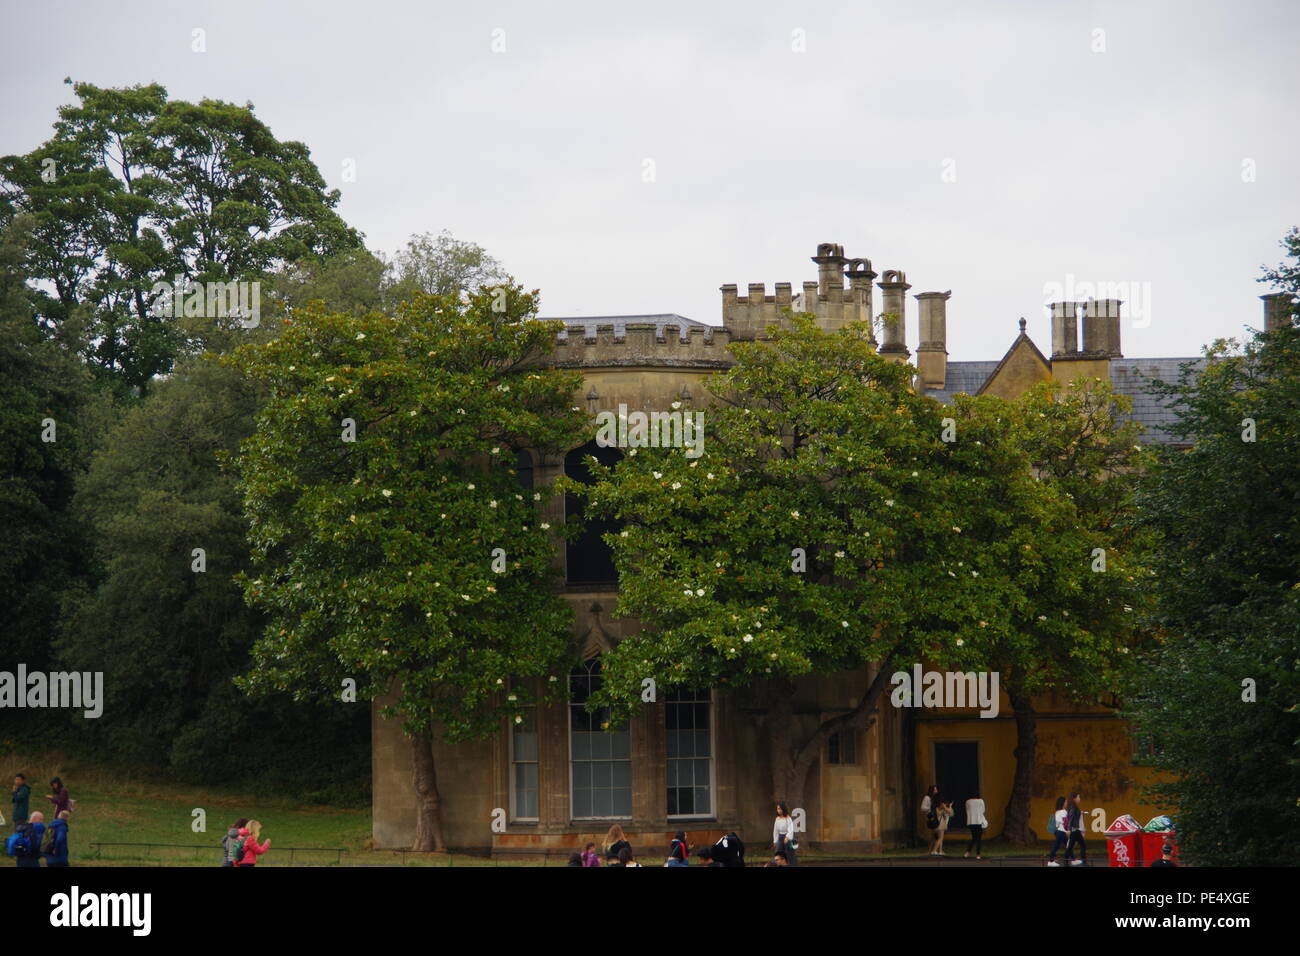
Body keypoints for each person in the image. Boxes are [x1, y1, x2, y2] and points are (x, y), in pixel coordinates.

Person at [1062, 792, 1087, 866]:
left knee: (1070, 847)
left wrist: (1081, 812)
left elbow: (1074, 815)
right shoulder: (1073, 807)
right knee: (1083, 845)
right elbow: (1070, 818)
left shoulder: (1073, 806)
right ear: (1074, 798)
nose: (1079, 799)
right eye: (1078, 797)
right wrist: (1069, 829)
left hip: (1074, 830)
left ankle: (1065, 862)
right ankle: (1084, 862)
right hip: (1074, 830)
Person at [773, 801, 798, 867]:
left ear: (783, 809)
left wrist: (787, 837)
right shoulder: (777, 819)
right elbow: (775, 830)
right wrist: (775, 841)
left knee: (789, 854)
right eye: (778, 809)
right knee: (778, 853)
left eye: (780, 809)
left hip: (787, 838)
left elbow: (791, 829)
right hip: (780, 837)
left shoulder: (788, 818)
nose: (779, 810)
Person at [1045, 797, 1068, 866]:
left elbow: (1065, 822)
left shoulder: (1062, 811)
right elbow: (1063, 823)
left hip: (1061, 832)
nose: (1067, 803)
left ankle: (1071, 860)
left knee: (1068, 845)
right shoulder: (1060, 812)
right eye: (1066, 802)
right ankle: (1051, 861)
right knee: (1056, 846)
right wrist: (1066, 831)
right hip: (1060, 832)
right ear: (1062, 803)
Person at [964, 790, 987, 859]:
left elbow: (967, 811)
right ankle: (978, 854)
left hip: (971, 822)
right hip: (978, 821)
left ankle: (967, 853)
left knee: (974, 838)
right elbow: (983, 810)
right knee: (978, 839)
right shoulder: (980, 801)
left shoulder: (967, 802)